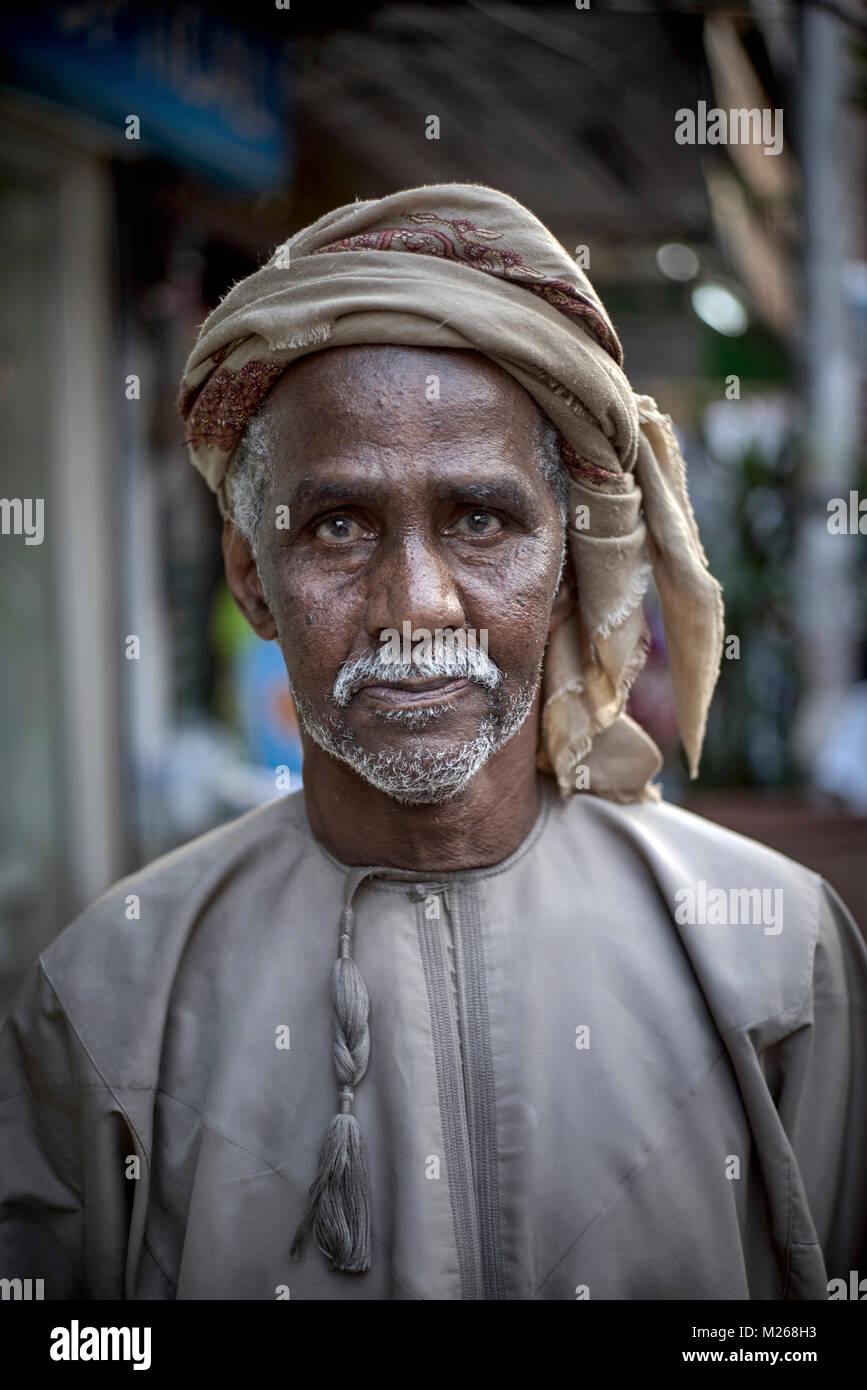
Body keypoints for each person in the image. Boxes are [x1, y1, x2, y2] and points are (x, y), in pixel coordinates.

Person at [1, 184, 865, 1301]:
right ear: (251, 574)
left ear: (564, 556)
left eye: (480, 519)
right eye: (340, 526)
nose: (417, 605)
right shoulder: (108, 997)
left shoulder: (779, 959)